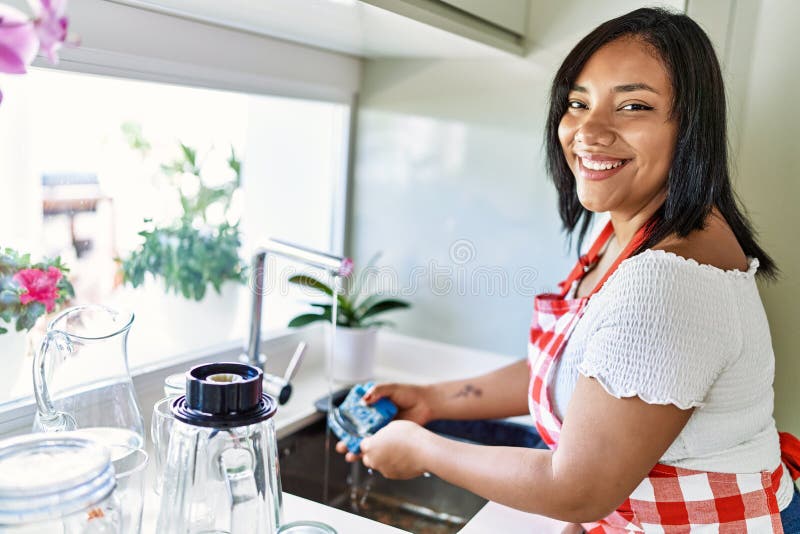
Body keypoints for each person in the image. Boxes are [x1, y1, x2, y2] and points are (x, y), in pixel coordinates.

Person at [335, 7, 800, 533]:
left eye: (632, 105)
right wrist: (434, 399)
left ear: (691, 126)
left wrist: (421, 449)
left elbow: (575, 489)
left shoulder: (671, 282)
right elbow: (579, 371)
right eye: (578, 102)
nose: (589, 130)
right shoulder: (627, 230)